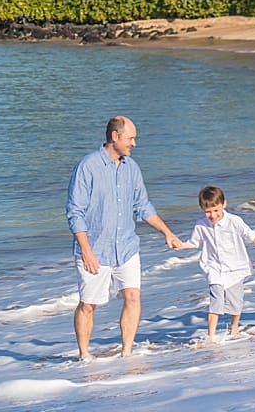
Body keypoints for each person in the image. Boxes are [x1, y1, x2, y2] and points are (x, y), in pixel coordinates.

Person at [66, 115, 182, 360]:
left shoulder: (132, 168)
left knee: (133, 296)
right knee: (88, 304)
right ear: (115, 136)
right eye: (131, 138)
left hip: (127, 247)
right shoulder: (88, 166)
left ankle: (127, 353)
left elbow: (143, 206)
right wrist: (86, 250)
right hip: (95, 249)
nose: (134, 144)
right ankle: (84, 357)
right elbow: (74, 212)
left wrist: (168, 233)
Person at [177, 185, 255, 340]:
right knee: (215, 299)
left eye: (216, 210)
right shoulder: (201, 224)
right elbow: (194, 242)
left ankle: (234, 327)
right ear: (202, 209)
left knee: (235, 302)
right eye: (208, 211)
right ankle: (210, 336)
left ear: (224, 204)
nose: (212, 215)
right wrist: (181, 245)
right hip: (214, 267)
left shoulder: (235, 221)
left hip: (235, 268)